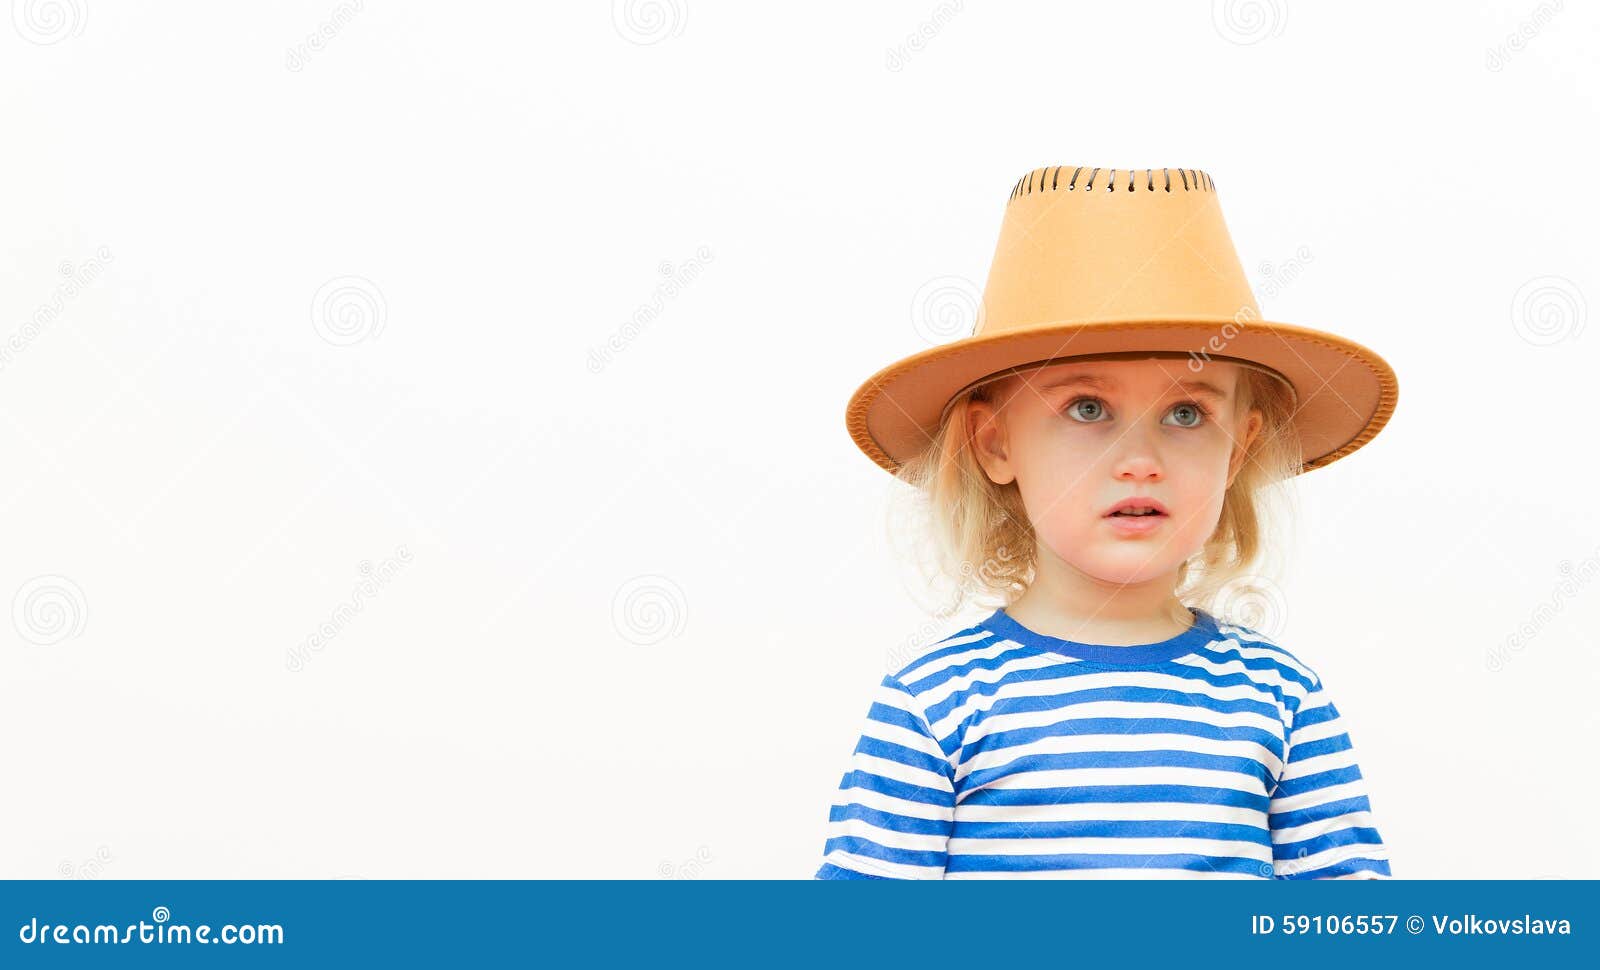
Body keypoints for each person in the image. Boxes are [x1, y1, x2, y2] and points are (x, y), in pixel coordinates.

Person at [815, 165, 1398, 879]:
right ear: (994, 443)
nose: (1141, 459)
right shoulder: (936, 704)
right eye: (1088, 409)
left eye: (1187, 414)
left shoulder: (1281, 700)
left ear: (1237, 450)